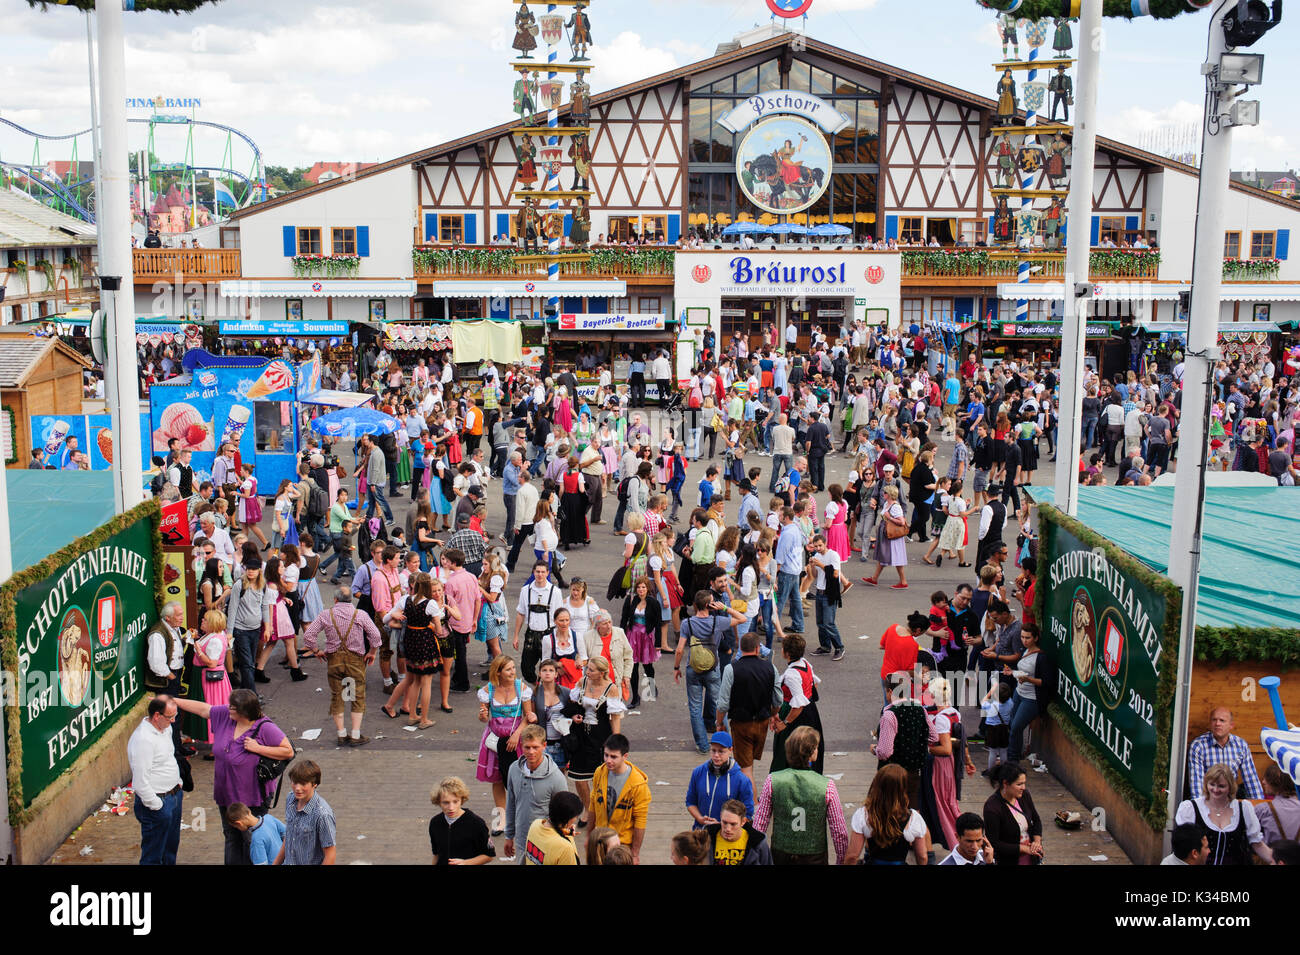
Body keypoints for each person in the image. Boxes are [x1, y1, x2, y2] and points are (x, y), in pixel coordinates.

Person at [172, 688, 294, 864]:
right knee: (231, 836)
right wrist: (174, 700)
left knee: (250, 838)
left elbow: (287, 751)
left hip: (253, 796)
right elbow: (204, 710)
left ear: (244, 712)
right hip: (226, 794)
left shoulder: (264, 727)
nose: (228, 708)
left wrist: (257, 748)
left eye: (233, 707)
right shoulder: (225, 716)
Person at [753, 726, 848, 865]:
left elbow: (759, 824)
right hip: (814, 855)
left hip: (781, 853)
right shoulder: (827, 786)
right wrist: (841, 859)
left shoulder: (772, 780)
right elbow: (839, 831)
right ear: (812, 752)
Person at [302, 587, 383, 746]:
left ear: (335, 600)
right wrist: (372, 652)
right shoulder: (360, 614)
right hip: (356, 660)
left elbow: (308, 635)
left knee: (337, 695)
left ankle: (341, 733)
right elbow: (375, 635)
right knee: (357, 695)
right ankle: (355, 734)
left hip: (334, 660)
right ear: (350, 600)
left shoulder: (326, 614)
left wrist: (317, 651)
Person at [675, 589, 746, 755]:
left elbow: (679, 650)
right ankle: (726, 741)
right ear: (710, 605)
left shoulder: (687, 623)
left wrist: (676, 668)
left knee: (695, 708)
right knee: (719, 705)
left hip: (693, 668)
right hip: (713, 668)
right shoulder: (718, 621)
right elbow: (742, 618)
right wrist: (725, 608)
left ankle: (703, 745)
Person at [475, 654, 535, 830]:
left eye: (513, 668)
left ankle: (521, 814)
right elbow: (483, 717)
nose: (513, 672)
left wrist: (517, 735)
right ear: (498, 672)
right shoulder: (488, 690)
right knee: (498, 779)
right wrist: (482, 716)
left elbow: (527, 716)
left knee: (520, 778)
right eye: (508, 669)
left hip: (516, 737)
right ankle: (501, 818)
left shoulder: (521, 688)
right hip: (495, 739)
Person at [1174, 762, 1274, 864]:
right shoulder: (1191, 808)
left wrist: (1275, 860)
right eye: (1212, 784)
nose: (1216, 790)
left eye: (1221, 786)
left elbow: (1257, 844)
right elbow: (1183, 849)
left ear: (1230, 786)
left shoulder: (1244, 808)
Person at [716, 631, 781, 783]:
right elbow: (778, 699)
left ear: (740, 648)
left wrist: (719, 723)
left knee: (745, 768)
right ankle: (749, 800)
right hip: (762, 722)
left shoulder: (731, 669)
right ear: (758, 648)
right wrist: (773, 714)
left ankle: (753, 804)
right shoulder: (770, 667)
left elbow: (723, 703)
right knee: (749, 764)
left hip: (741, 723)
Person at [127, 696, 184, 865]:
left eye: (175, 716)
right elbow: (140, 781)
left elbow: (168, 758)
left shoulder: (165, 728)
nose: (173, 721)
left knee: (170, 848)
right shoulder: (143, 739)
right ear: (157, 716)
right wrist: (157, 805)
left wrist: (178, 782)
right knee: (153, 855)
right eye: (170, 717)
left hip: (174, 795)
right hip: (158, 802)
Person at [504, 723, 570, 864]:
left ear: (544, 746)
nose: (531, 752)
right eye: (527, 747)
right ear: (521, 746)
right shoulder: (514, 769)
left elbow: (564, 814)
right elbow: (511, 804)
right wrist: (509, 836)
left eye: (535, 747)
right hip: (522, 840)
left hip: (545, 843)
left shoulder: (556, 778)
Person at [843, 764, 928, 865]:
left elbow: (852, 856)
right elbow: (922, 856)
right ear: (904, 788)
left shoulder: (863, 814)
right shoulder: (914, 818)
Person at [589, 733, 651, 864]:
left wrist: (634, 854)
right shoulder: (599, 773)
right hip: (600, 841)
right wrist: (589, 837)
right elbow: (593, 806)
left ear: (625, 756)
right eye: (606, 755)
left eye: (613, 757)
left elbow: (640, 821)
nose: (608, 760)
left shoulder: (638, 785)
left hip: (622, 846)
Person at [770, 633, 824, 774]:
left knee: (790, 750)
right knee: (809, 745)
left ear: (786, 653)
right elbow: (814, 683)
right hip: (811, 710)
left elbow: (798, 704)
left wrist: (785, 723)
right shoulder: (805, 663)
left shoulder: (791, 674)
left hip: (797, 715)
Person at [1187, 705, 1265, 801]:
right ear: (1210, 723)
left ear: (1231, 725)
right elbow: (1196, 785)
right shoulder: (1198, 746)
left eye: (1222, 720)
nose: (1217, 724)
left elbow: (1251, 780)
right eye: (1214, 720)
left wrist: (1259, 807)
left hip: (1231, 800)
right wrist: (1201, 810)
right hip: (1208, 800)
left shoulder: (1241, 745)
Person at [685, 729, 754, 828]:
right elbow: (690, 802)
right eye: (713, 750)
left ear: (731, 750)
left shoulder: (742, 780)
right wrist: (700, 819)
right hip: (701, 831)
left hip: (727, 835)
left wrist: (722, 825)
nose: (716, 755)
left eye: (721, 751)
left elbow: (747, 814)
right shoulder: (698, 772)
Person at [274, 759, 337, 865]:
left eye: (303, 784)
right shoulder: (290, 799)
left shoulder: (322, 815)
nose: (297, 788)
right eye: (294, 782)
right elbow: (289, 837)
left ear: (315, 784)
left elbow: (330, 855)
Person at [982, 761, 1043, 866]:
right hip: (1009, 860)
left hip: (1031, 856)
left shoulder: (1024, 795)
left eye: (1024, 783)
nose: (1023, 787)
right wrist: (1023, 848)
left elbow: (1036, 820)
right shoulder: (992, 808)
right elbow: (994, 842)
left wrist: (1036, 843)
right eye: (1019, 784)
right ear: (1005, 783)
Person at [513, 560, 563, 683]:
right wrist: (516, 636)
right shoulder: (526, 590)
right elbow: (521, 613)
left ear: (547, 573)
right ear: (533, 572)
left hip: (549, 634)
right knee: (526, 668)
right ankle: (537, 687)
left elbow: (560, 616)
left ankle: (545, 690)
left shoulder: (555, 591)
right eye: (537, 571)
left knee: (548, 668)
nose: (540, 574)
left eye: (542, 572)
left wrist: (561, 637)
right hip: (531, 634)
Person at [428, 776, 496, 865]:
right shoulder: (435, 823)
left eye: (455, 802)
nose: (451, 808)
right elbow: (436, 855)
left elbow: (489, 855)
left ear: (462, 800)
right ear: (438, 802)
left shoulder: (476, 824)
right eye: (446, 803)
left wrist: (465, 863)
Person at [703, 798, 773, 865]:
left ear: (743, 821)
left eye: (733, 824)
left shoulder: (758, 843)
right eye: (724, 822)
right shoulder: (706, 837)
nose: (728, 829)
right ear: (720, 817)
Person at [524, 790, 583, 865]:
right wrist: (569, 838)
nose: (576, 819)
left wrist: (565, 832)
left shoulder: (535, 824)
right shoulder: (565, 848)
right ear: (568, 818)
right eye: (576, 816)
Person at [1256, 764, 1300, 844]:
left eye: (1267, 778)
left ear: (1275, 782)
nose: (1263, 781)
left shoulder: (1263, 810)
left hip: (1271, 855)